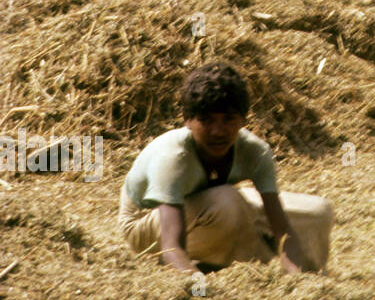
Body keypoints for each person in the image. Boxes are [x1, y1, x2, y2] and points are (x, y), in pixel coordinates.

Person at [119, 61, 333, 273]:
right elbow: (172, 246)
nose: (218, 131)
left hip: (205, 201)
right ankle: (222, 264)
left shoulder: (254, 151)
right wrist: (196, 286)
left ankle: (301, 270)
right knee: (227, 202)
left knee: (318, 213)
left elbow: (282, 228)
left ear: (243, 120)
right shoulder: (172, 157)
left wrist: (299, 283)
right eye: (207, 120)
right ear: (188, 120)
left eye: (228, 119)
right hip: (147, 221)